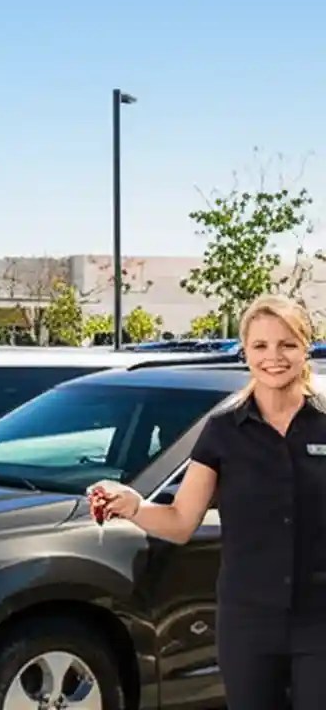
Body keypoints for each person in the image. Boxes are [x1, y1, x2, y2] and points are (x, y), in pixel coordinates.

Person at [89, 294, 326, 709]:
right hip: (248, 622)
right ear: (244, 352)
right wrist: (134, 506)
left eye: (287, 344)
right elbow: (182, 521)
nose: (274, 357)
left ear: (305, 348)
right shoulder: (222, 431)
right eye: (261, 346)